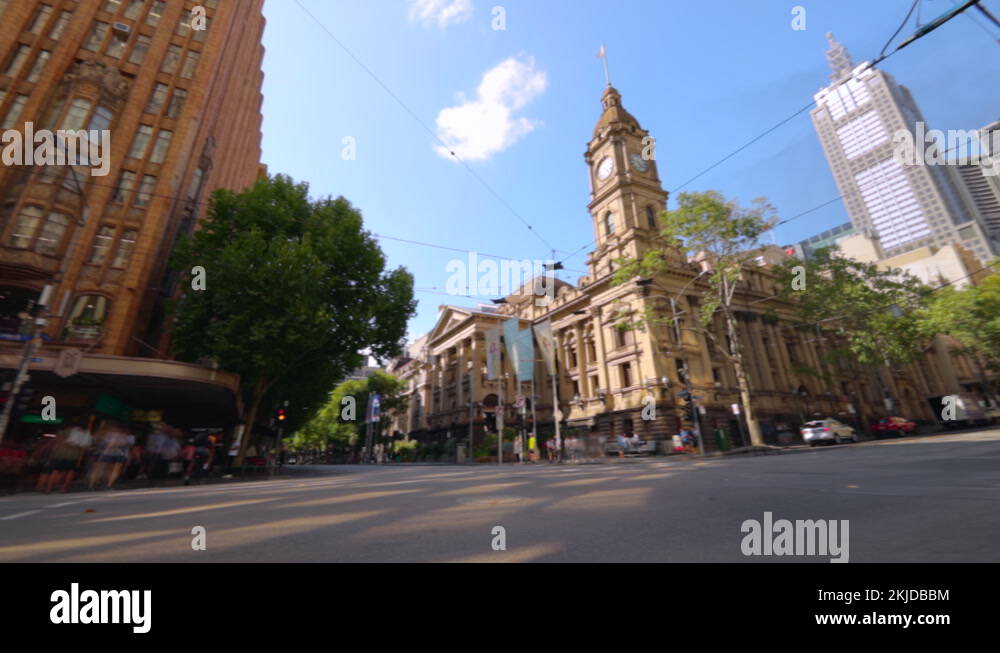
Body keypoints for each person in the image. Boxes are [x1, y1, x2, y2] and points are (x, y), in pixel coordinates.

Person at [45, 421, 92, 493]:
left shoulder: (66, 432)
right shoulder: (85, 434)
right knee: (70, 472)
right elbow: (85, 446)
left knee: (56, 471)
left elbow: (58, 441)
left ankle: (49, 488)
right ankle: (64, 488)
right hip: (75, 455)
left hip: (60, 454)